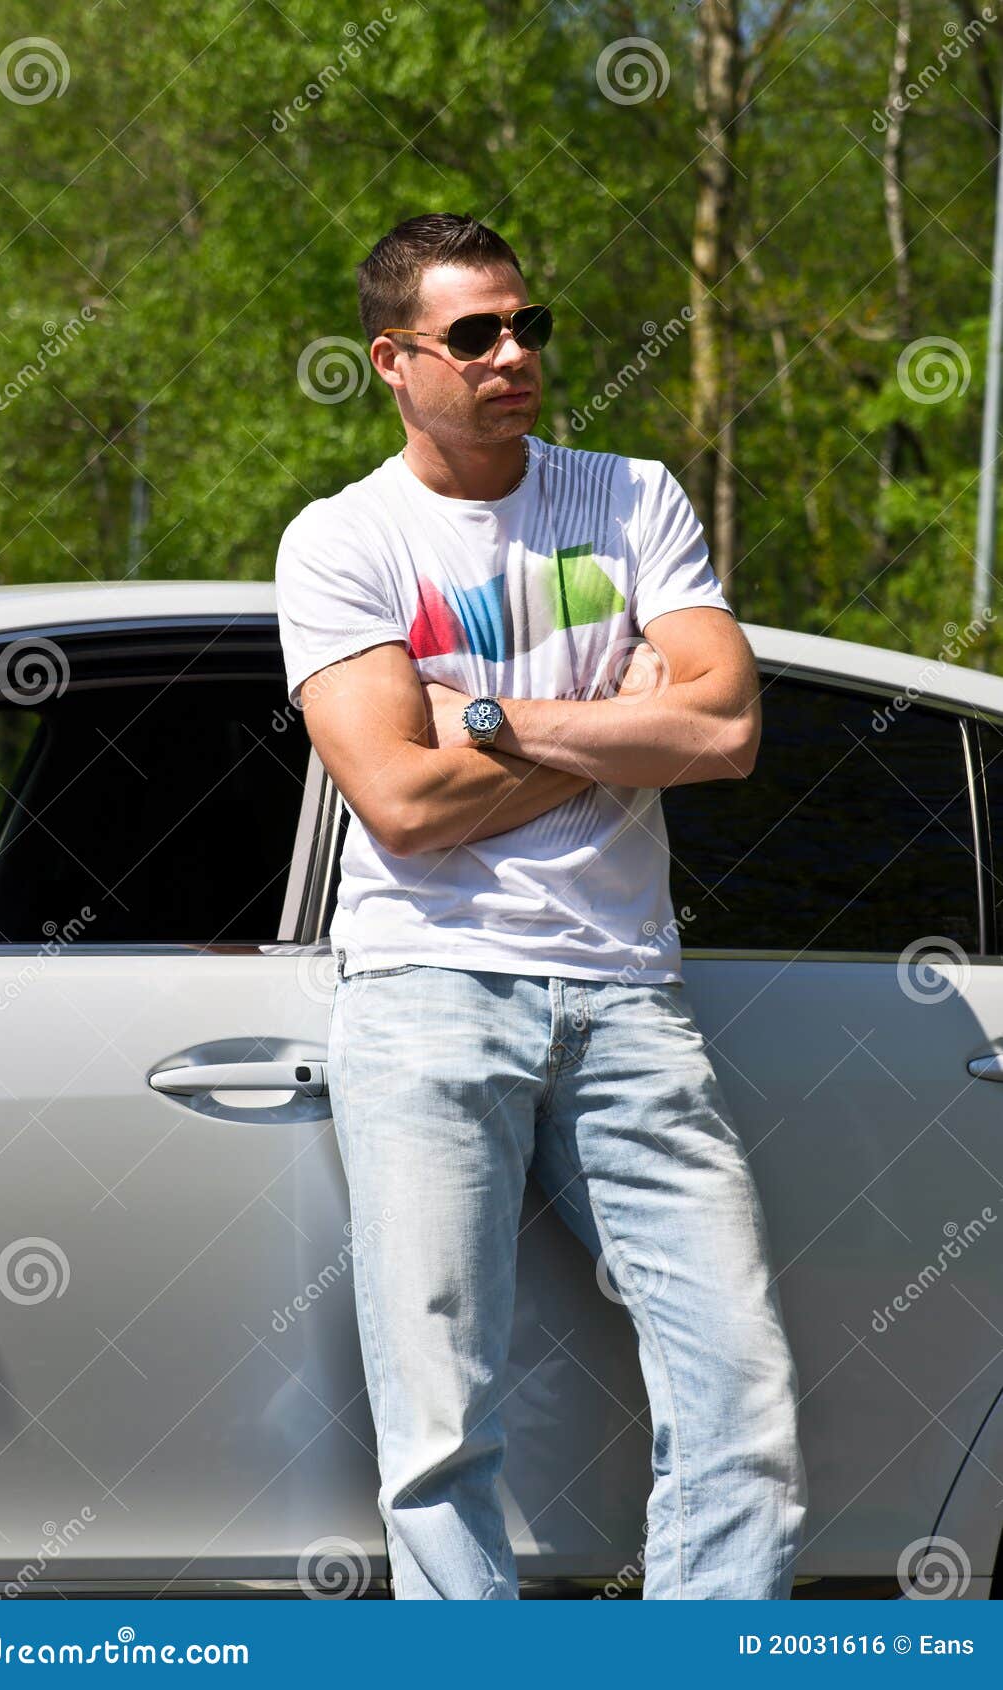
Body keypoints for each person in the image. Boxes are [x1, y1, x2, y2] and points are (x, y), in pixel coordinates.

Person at [274, 211, 807, 1599]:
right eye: (473, 334)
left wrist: (497, 717)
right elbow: (398, 801)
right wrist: (621, 721)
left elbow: (729, 732)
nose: (513, 354)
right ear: (393, 360)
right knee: (439, 1424)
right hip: (427, 988)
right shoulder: (344, 541)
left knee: (737, 1387)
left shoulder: (629, 498)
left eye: (528, 326)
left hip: (629, 992)